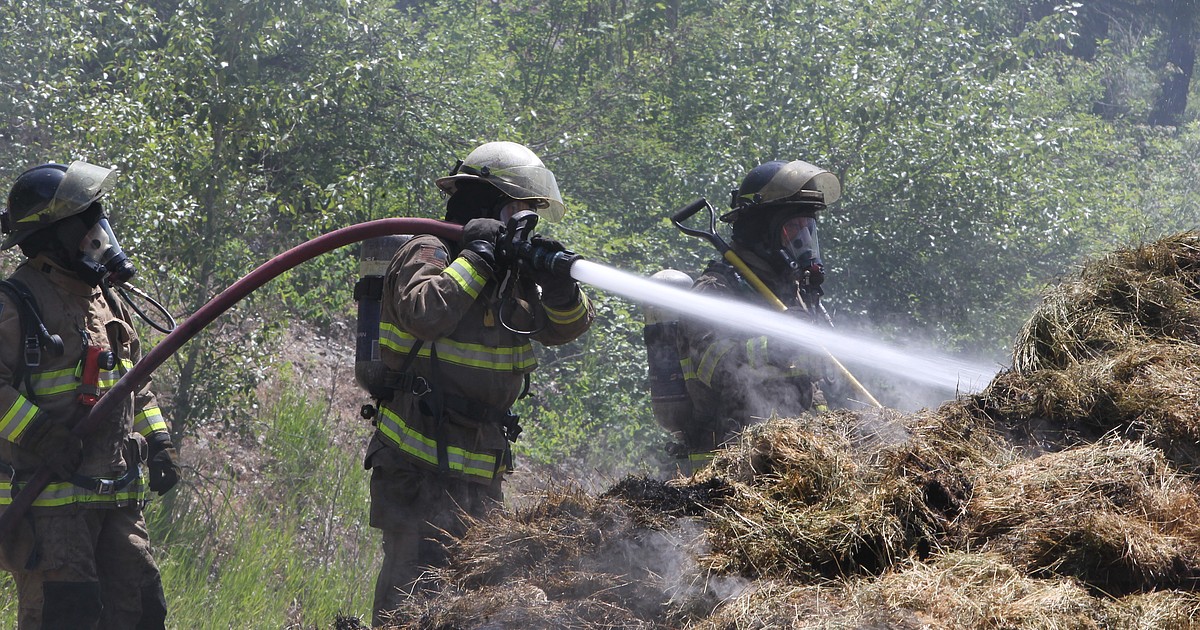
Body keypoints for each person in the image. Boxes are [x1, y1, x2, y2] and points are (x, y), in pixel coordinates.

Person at [365, 141, 595, 624]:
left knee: (471, 602)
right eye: (518, 210)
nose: (525, 223)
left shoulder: (508, 274)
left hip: (479, 470)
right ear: (489, 204)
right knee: (408, 599)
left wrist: (560, 287)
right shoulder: (430, 251)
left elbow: (564, 328)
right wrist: (478, 256)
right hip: (416, 464)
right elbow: (424, 312)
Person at [0, 161, 180, 628]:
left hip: (117, 497)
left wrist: (159, 441)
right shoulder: (16, 302)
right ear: (51, 237)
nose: (97, 231)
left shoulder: (107, 299)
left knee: (143, 611)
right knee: (66, 616)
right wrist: (41, 434)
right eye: (84, 222)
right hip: (49, 507)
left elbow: (134, 382)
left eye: (97, 217)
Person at [673, 159, 841, 469]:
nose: (803, 243)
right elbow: (711, 366)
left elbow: (809, 383)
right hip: (726, 470)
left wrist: (827, 436)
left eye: (808, 230)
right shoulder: (715, 291)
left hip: (795, 464)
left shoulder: (794, 294)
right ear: (763, 232)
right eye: (793, 230)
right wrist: (774, 346)